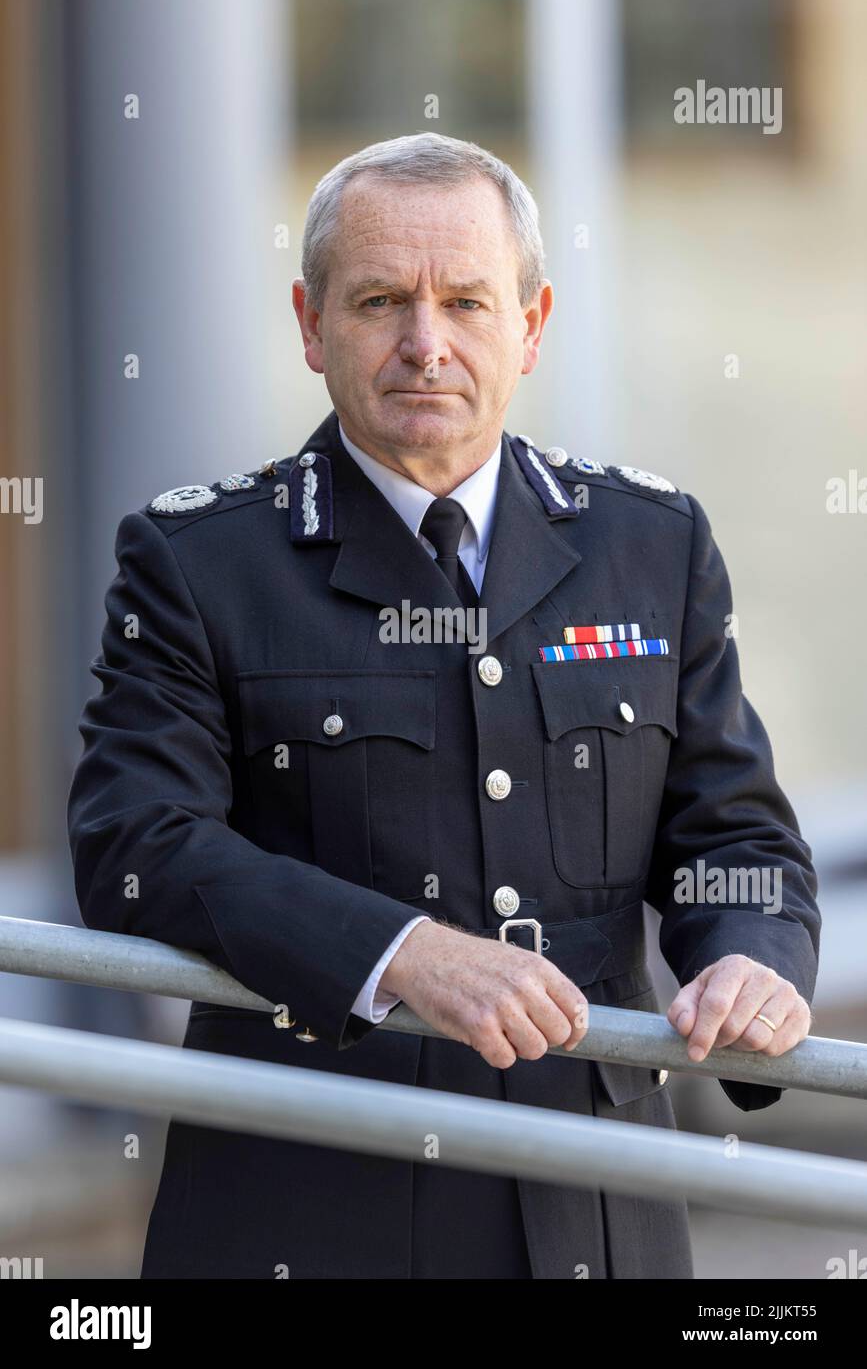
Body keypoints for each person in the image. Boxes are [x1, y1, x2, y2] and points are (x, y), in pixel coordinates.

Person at [67, 132, 820, 1279]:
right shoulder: (199, 560)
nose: (427, 343)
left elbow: (737, 834)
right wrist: (400, 952)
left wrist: (756, 958)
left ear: (531, 323)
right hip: (309, 1203)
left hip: (593, 1200)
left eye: (467, 300)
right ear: (311, 324)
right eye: (380, 300)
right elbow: (134, 845)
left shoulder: (649, 545)